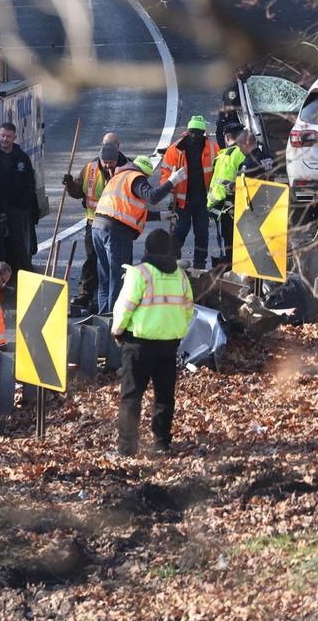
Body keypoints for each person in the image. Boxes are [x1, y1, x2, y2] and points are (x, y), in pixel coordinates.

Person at [111, 229, 195, 455]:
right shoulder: (180, 276)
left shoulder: (140, 273)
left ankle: (127, 447)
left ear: (147, 249)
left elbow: (125, 307)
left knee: (131, 396)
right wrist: (176, 329)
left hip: (138, 344)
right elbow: (188, 309)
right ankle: (161, 443)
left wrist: (118, 331)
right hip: (169, 344)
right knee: (164, 396)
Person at [91, 156, 182, 315]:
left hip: (98, 227)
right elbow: (152, 197)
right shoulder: (136, 177)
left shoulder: (119, 177)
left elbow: (130, 209)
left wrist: (161, 216)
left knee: (105, 278)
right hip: (116, 232)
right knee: (119, 278)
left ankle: (102, 317)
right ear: (144, 173)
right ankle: (113, 318)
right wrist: (172, 181)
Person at [62, 140, 129, 313]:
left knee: (115, 266)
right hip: (94, 223)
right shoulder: (90, 169)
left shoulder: (126, 170)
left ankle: (118, 301)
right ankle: (86, 295)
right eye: (105, 162)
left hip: (118, 226)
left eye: (111, 163)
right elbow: (79, 191)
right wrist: (70, 184)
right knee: (92, 260)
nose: (107, 166)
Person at [207, 124, 274, 269]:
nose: (240, 150)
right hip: (268, 206)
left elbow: (242, 186)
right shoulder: (268, 158)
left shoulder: (246, 163)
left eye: (240, 146)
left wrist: (231, 186)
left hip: (249, 209)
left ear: (245, 144)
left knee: (237, 244)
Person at [158, 115, 221, 269]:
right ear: (188, 131)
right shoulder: (176, 149)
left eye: (198, 132)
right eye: (192, 131)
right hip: (182, 201)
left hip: (203, 200)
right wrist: (169, 193)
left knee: (202, 233)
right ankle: (173, 261)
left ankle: (199, 265)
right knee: (180, 231)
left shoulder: (213, 148)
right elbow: (166, 173)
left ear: (203, 133)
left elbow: (219, 171)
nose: (195, 135)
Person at [0, 122, 40, 280]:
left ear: (14, 137)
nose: (4, 139)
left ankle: (26, 276)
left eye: (8, 136)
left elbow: (30, 183)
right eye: (2, 135)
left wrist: (23, 205)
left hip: (15, 208)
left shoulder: (22, 158)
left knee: (18, 243)